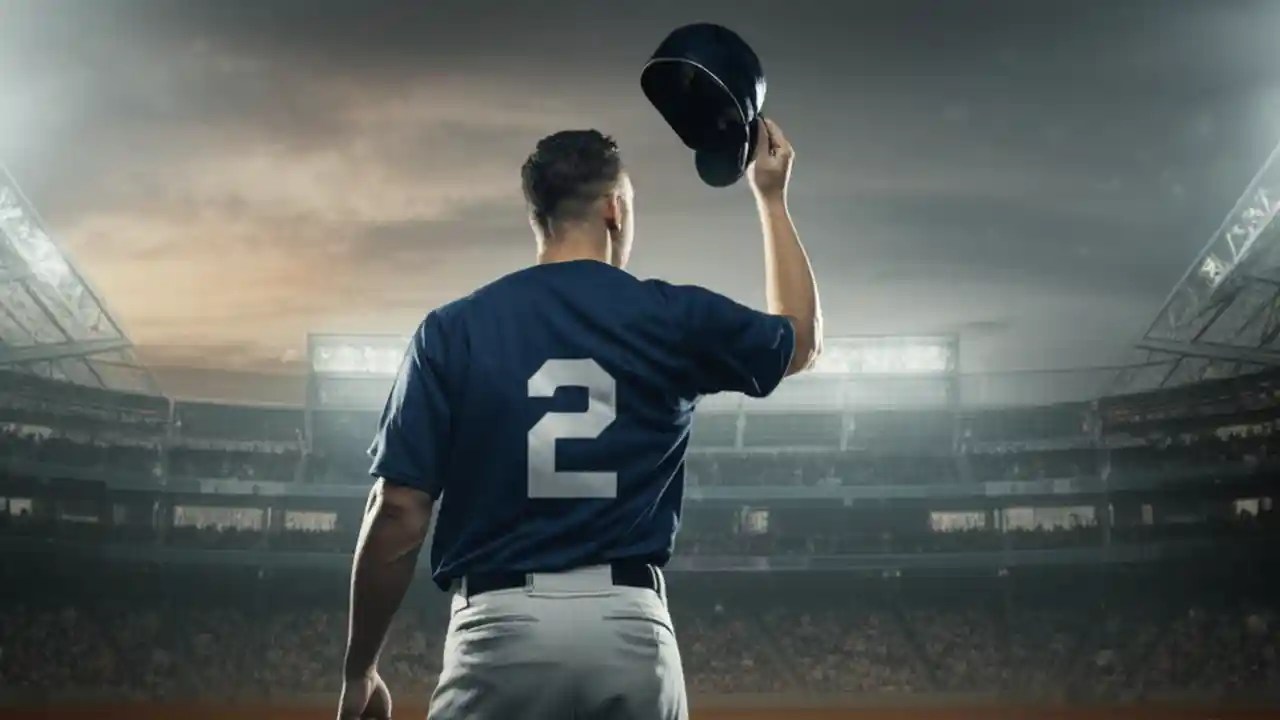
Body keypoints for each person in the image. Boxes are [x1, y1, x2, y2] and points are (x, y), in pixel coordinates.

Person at [337, 117, 822, 720]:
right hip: (630, 628)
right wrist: (771, 197)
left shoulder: (452, 330)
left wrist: (361, 667)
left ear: (538, 217)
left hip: (499, 627)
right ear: (615, 209)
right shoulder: (669, 317)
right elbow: (801, 340)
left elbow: (400, 513)